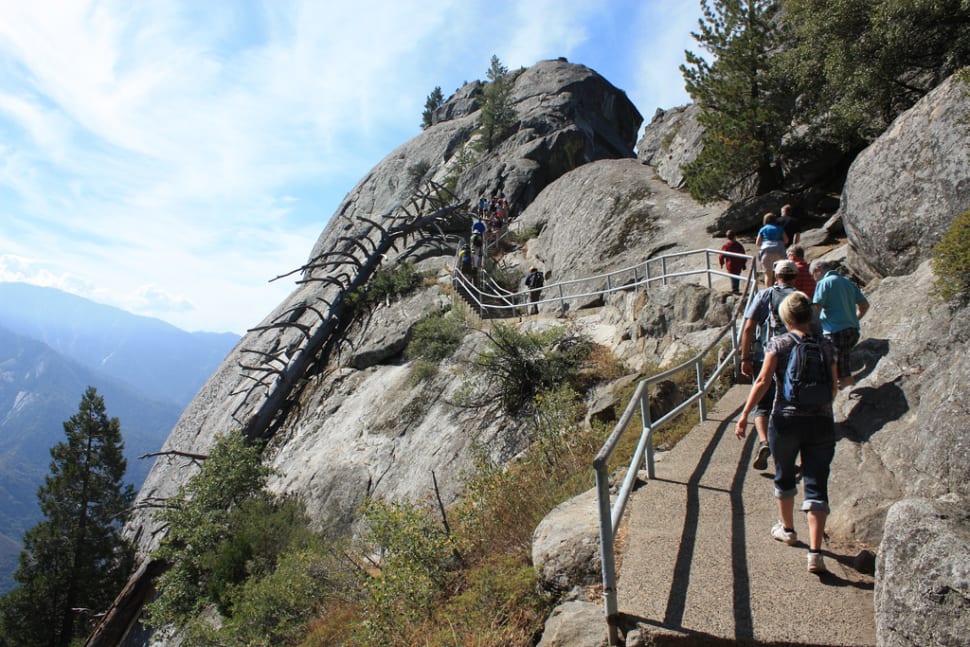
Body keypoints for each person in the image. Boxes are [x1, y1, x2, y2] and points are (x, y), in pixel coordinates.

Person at [735, 291, 838, 574]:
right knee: (817, 481)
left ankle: (788, 530)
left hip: (785, 419)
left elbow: (763, 381)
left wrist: (745, 415)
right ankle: (816, 552)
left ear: (786, 317)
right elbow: (834, 388)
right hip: (821, 422)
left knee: (784, 474)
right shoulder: (827, 346)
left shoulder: (778, 344)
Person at [739, 260, 800, 471]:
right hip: (794, 356)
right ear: (795, 276)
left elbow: (748, 328)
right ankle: (788, 452)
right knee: (791, 403)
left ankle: (764, 441)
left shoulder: (764, 295)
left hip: (764, 356)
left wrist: (745, 357)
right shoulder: (800, 298)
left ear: (775, 275)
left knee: (762, 404)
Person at [810, 259, 869, 389]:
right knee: (840, 367)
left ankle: (848, 398)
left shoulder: (824, 283)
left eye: (812, 275)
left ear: (818, 270)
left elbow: (816, 309)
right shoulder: (848, 282)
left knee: (841, 372)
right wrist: (853, 319)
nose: (814, 279)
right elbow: (864, 305)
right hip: (852, 330)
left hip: (834, 332)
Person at [756, 212, 789, 287]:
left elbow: (757, 243)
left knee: (768, 275)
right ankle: (780, 290)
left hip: (766, 253)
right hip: (779, 252)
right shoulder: (780, 228)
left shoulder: (763, 229)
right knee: (780, 274)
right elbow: (786, 240)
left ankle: (768, 292)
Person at [718, 230, 747, 294]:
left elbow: (721, 256)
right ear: (735, 236)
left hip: (730, 265)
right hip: (738, 265)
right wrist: (743, 265)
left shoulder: (726, 246)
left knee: (733, 278)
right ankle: (735, 289)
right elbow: (743, 255)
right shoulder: (739, 245)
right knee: (737, 277)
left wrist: (721, 263)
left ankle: (735, 290)